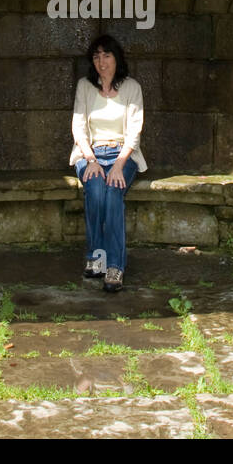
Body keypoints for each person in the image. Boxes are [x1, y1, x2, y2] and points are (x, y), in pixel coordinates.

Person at [69, 34, 146, 293]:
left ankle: (114, 266)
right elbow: (78, 126)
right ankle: (96, 257)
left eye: (107, 55)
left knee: (113, 191)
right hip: (89, 153)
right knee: (94, 188)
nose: (102, 62)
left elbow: (134, 132)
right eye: (96, 56)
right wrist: (90, 159)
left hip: (121, 154)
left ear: (117, 58)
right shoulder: (85, 86)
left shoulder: (132, 87)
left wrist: (118, 164)